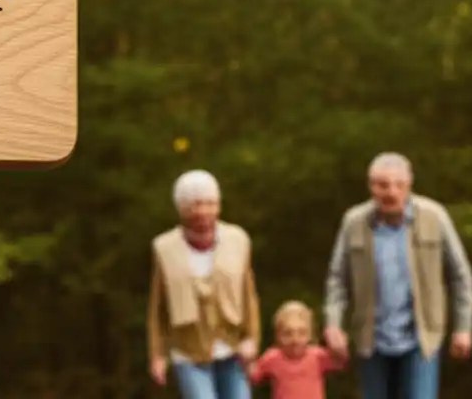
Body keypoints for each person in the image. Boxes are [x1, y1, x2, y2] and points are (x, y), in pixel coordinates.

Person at [322, 152, 472, 399]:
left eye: (398, 185)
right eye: (382, 185)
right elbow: (337, 279)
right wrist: (333, 324)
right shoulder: (354, 222)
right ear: (371, 186)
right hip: (371, 337)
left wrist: (464, 327)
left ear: (409, 184)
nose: (391, 192)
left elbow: (460, 276)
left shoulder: (434, 216)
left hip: (421, 336)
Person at [148, 170, 261, 399]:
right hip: (188, 352)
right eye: (194, 205)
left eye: (210, 203)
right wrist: (157, 355)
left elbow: (248, 296)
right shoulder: (165, 248)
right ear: (182, 209)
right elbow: (157, 309)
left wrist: (252, 339)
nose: (203, 212)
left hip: (233, 348)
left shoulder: (237, 240)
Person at [248, 301, 345, 399]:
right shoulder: (273, 357)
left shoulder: (317, 356)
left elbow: (340, 362)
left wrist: (339, 347)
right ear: (278, 335)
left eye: (301, 333)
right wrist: (248, 358)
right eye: (287, 334)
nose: (295, 340)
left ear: (310, 335)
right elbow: (254, 376)